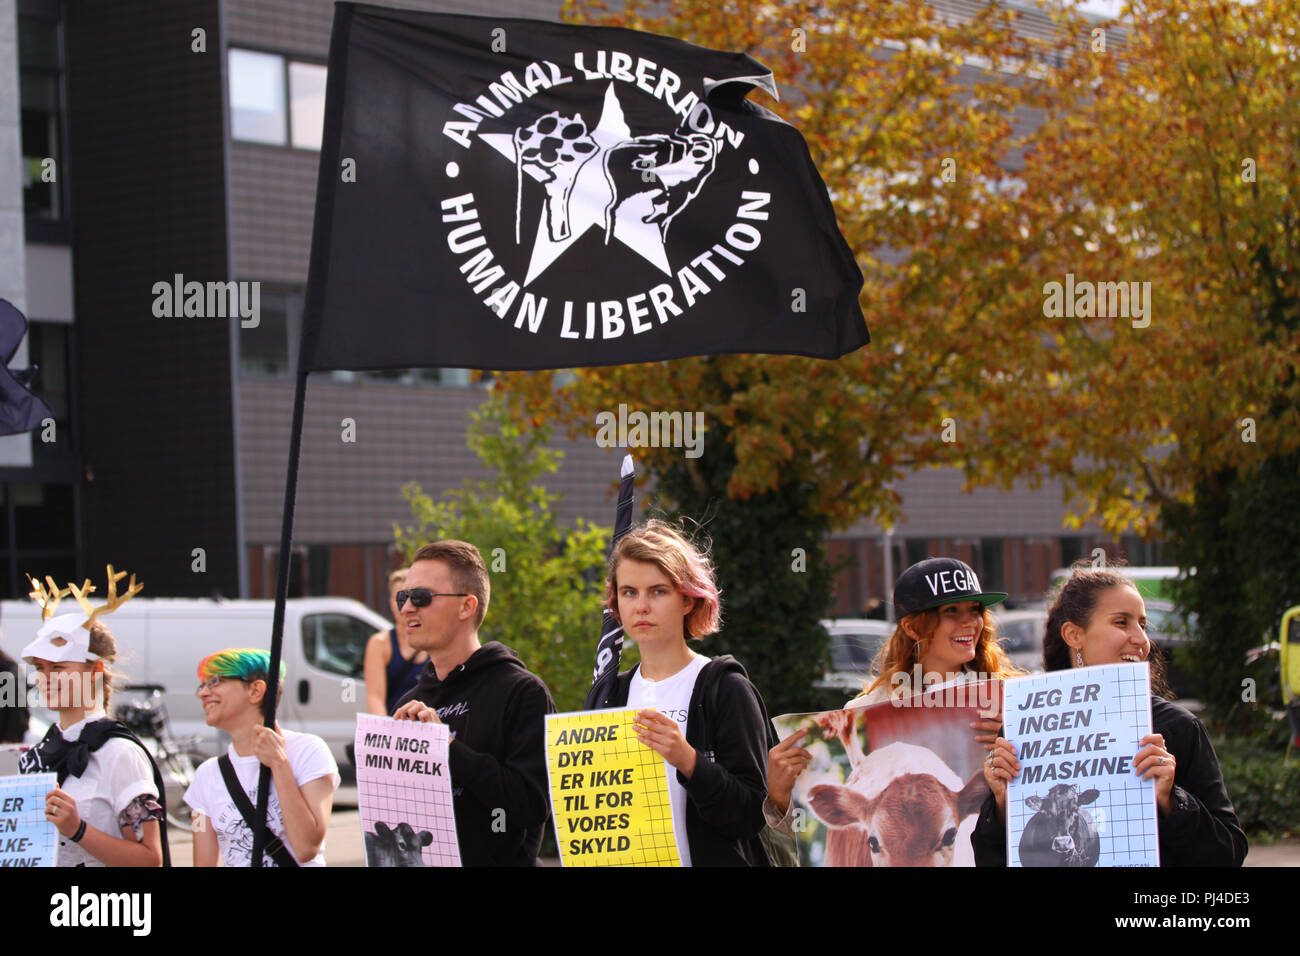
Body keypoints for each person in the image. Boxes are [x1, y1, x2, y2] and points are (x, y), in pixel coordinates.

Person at [975, 564, 1248, 866]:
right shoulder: (1025, 728)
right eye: (1122, 623)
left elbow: (1228, 854)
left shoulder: (1177, 728)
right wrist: (1001, 806)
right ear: (1074, 634)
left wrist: (1173, 800)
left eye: (1143, 625)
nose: (1142, 640)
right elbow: (989, 859)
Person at [766, 556, 1019, 837]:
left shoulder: (1011, 699)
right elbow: (841, 838)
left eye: (975, 609)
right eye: (951, 611)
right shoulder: (866, 710)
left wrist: (1017, 735)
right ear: (912, 628)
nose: (970, 622)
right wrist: (779, 797)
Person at [602, 519, 772, 866]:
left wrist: (689, 761)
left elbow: (752, 815)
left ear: (688, 601)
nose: (641, 606)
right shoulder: (611, 694)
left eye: (658, 591)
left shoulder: (725, 687)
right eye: (629, 592)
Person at [391, 539, 556, 866]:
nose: (407, 607)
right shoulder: (410, 702)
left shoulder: (521, 692)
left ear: (466, 606)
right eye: (402, 597)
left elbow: (530, 807)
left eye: (421, 597)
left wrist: (446, 747)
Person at [18, 573, 165, 867]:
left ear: (95, 670)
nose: (45, 679)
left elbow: (150, 859)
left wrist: (78, 830)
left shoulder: (121, 754)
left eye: (58, 667)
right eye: (41, 668)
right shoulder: (36, 754)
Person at [185, 649, 339, 866]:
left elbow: (307, 848)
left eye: (214, 682)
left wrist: (279, 763)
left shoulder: (308, 751)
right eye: (202, 685)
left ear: (255, 690)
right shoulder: (206, 776)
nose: (203, 693)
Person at [363, 568, 428, 716]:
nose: (406, 606)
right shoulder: (380, 643)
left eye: (413, 598)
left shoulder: (434, 639)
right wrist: (387, 733)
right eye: (400, 598)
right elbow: (375, 698)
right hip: (394, 730)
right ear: (391, 603)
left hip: (429, 730)